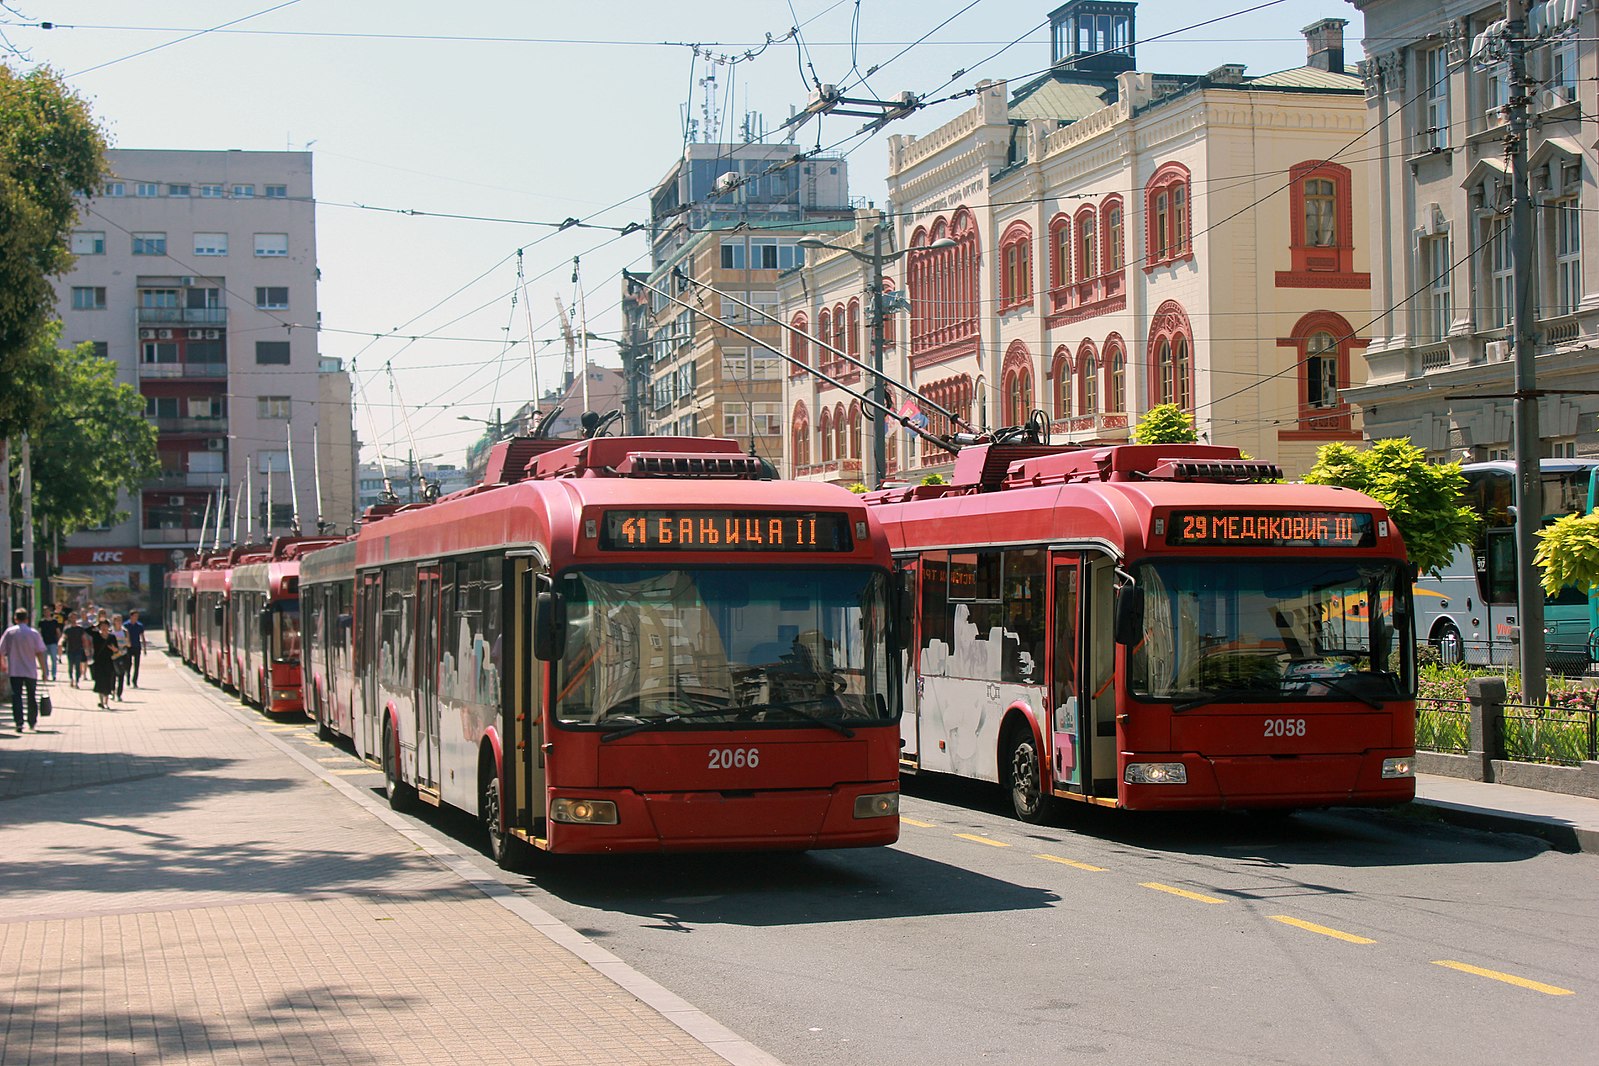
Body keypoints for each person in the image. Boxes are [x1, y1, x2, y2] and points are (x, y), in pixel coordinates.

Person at [0, 608, 48, 732]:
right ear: (27, 619)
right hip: (30, 671)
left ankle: (19, 722)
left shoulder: (9, 632)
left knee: (17, 696)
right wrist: (44, 670)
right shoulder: (33, 633)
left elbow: (1, 651)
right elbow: (39, 653)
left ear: (15, 619)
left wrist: (3, 664)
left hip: (15, 670)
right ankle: (32, 721)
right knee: (31, 696)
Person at [88, 618, 118, 710]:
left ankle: (106, 702)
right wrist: (95, 624)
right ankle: (101, 702)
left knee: (108, 682)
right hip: (98, 663)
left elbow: (117, 650)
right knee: (100, 682)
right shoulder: (96, 635)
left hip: (109, 662)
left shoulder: (112, 637)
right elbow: (87, 630)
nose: (104, 627)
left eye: (106, 626)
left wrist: (114, 649)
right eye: (102, 626)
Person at [62, 611, 87, 687]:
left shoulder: (80, 629)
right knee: (70, 666)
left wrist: (86, 649)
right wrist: (61, 643)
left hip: (78, 649)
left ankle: (77, 681)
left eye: (75, 617)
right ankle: (71, 679)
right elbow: (64, 637)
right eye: (72, 617)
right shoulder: (67, 629)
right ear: (70, 618)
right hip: (70, 649)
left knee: (77, 666)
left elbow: (84, 639)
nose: (73, 619)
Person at [123, 609, 147, 687]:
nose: (136, 617)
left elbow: (142, 637)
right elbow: (123, 637)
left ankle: (134, 681)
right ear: (131, 616)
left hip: (137, 646)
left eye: (137, 616)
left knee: (137, 665)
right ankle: (128, 677)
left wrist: (144, 648)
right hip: (128, 647)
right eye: (135, 616)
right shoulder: (126, 625)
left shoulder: (139, 625)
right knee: (128, 664)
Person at [37, 608, 61, 682]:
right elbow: (39, 632)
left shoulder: (54, 621)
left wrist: (60, 641)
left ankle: (54, 675)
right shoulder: (41, 622)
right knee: (44, 660)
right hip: (44, 643)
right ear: (44, 613)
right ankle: (46, 674)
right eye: (45, 612)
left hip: (53, 642)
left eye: (48, 612)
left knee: (54, 659)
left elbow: (58, 631)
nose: (47, 613)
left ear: (50, 613)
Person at [110, 613, 130, 700]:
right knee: (112, 674)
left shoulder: (125, 632)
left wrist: (125, 643)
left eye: (120, 620)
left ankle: (119, 694)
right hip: (113, 656)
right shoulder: (110, 631)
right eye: (116, 620)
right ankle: (112, 691)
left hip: (122, 655)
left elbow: (129, 644)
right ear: (113, 621)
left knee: (121, 674)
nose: (118, 622)